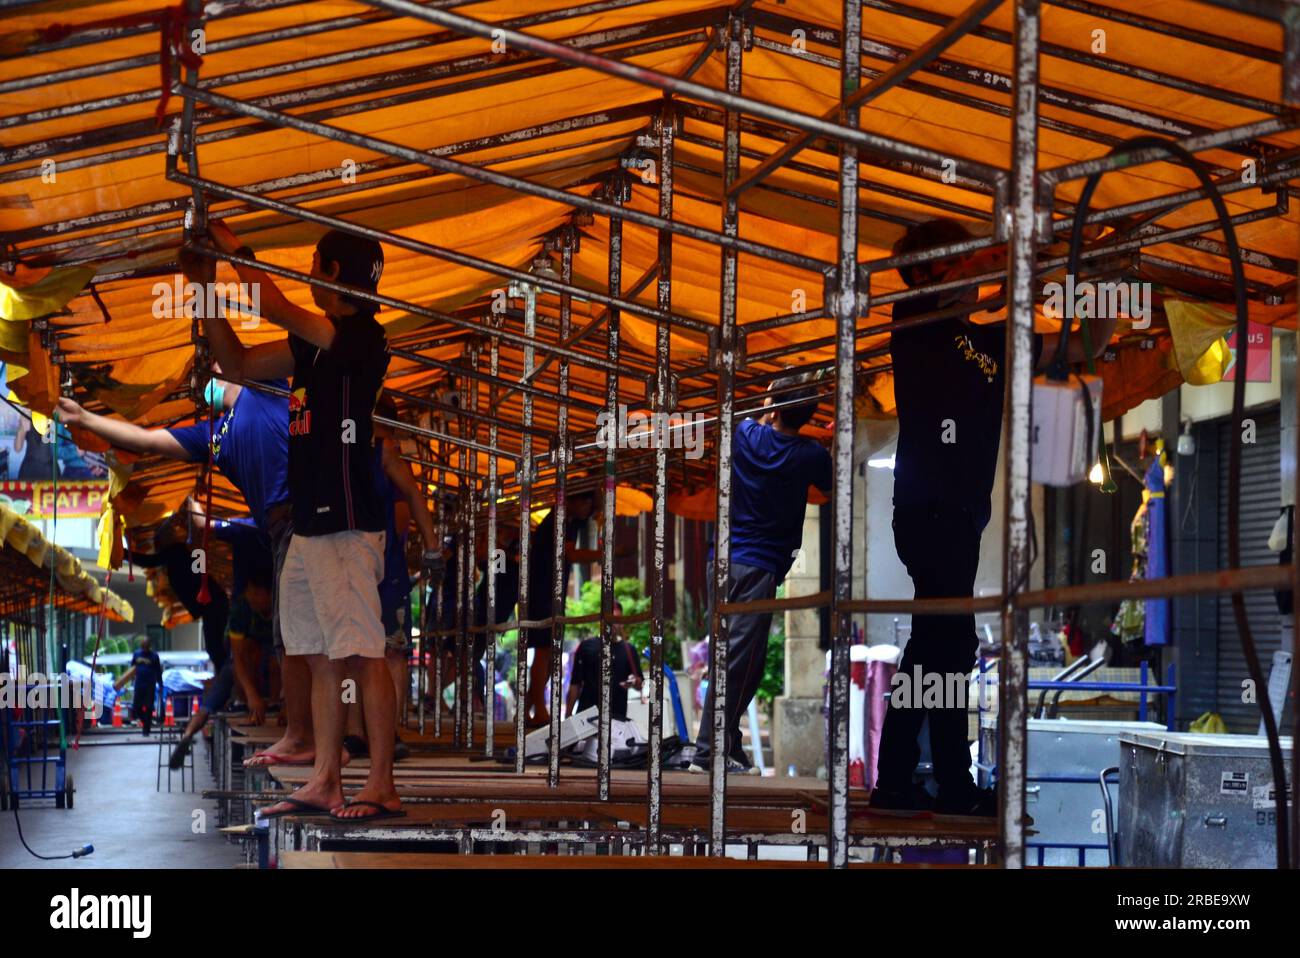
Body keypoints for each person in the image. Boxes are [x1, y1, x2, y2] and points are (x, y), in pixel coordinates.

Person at [870, 217, 1116, 816]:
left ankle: (901, 781)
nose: (978, 271)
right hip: (930, 511)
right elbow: (964, 277)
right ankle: (943, 782)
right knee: (946, 644)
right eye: (963, 262)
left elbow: (1087, 343)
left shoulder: (986, 343)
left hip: (957, 514)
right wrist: (1017, 257)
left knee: (939, 644)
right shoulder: (914, 324)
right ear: (937, 274)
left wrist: (1106, 281)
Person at [197, 219, 432, 822]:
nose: (307, 275)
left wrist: (232, 252)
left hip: (347, 521)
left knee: (364, 651)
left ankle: (380, 783)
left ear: (330, 273)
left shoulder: (359, 337)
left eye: (313, 265)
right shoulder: (317, 342)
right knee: (321, 651)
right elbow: (238, 362)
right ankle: (328, 776)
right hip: (309, 523)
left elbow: (273, 304)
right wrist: (203, 292)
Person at [57, 368, 299, 761]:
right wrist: (85, 419)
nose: (210, 375)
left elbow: (232, 348)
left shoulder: (266, 387)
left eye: (214, 368)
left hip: (303, 524)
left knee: (296, 646)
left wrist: (207, 314)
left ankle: (292, 727)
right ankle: (286, 725)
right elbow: (149, 439)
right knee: (275, 648)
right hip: (277, 540)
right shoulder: (215, 434)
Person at [678, 374, 832, 775]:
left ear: (772, 407)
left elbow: (751, 419)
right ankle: (707, 751)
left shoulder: (744, 434)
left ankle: (727, 745)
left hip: (724, 563)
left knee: (741, 659)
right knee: (738, 660)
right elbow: (830, 485)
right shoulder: (809, 454)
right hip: (760, 566)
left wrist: (769, 408)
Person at [169, 563, 276, 769]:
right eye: (249, 592)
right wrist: (251, 696)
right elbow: (238, 657)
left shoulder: (282, 607)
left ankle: (188, 732)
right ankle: (188, 735)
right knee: (215, 697)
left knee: (210, 704)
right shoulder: (241, 609)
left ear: (269, 592)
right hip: (237, 663)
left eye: (256, 593)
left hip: (267, 663)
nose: (251, 597)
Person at [519, 492, 600, 728]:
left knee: (548, 652)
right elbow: (571, 554)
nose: (589, 507)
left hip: (547, 592)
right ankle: (540, 709)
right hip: (543, 591)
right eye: (587, 500)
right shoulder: (560, 520)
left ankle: (529, 709)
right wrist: (604, 555)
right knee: (545, 651)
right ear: (574, 500)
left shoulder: (566, 521)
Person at [563, 600, 643, 721]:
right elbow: (575, 684)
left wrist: (634, 681)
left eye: (617, 620)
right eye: (609, 620)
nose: (613, 624)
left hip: (617, 719)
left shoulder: (629, 650)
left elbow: (639, 683)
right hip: (587, 717)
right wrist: (568, 717)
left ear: (622, 623)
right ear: (600, 621)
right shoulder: (586, 646)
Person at [115, 634, 163, 736]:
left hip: (150, 685)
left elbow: (158, 671)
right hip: (139, 684)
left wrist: (160, 684)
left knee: (149, 707)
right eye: (143, 647)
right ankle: (146, 723)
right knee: (137, 707)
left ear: (149, 646)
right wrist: (126, 681)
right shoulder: (136, 654)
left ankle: (146, 730)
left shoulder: (154, 656)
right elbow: (132, 669)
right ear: (141, 646)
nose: (145, 649)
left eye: (146, 646)